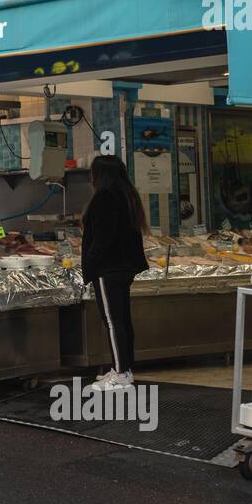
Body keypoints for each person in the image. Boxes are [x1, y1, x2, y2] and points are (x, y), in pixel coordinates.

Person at [81, 154, 150, 391]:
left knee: (112, 321)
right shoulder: (127, 195)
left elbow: (102, 238)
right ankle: (124, 368)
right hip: (124, 267)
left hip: (107, 268)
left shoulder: (104, 198)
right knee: (122, 319)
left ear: (99, 175)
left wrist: (89, 265)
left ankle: (120, 373)